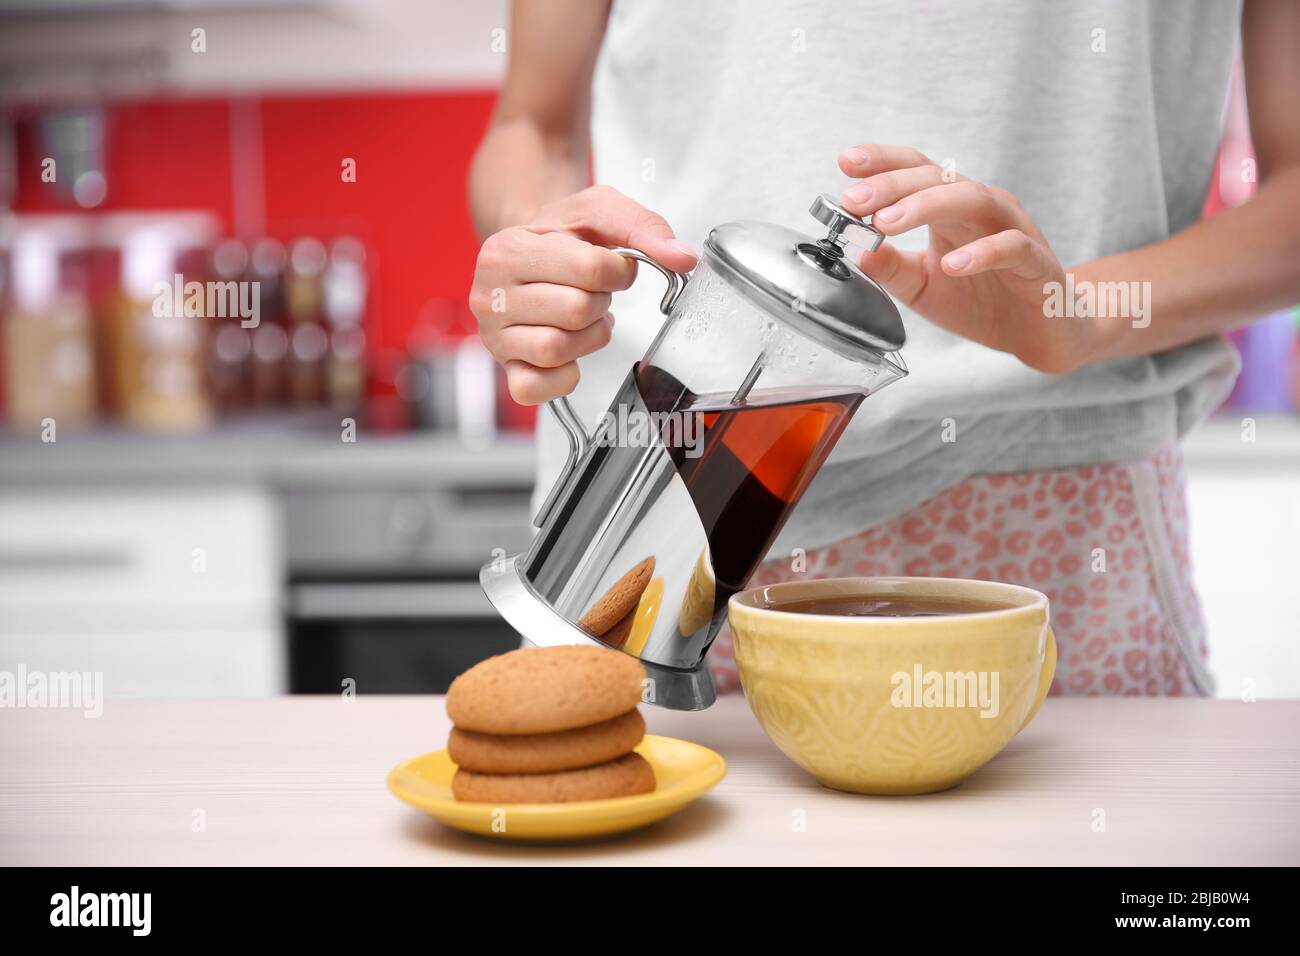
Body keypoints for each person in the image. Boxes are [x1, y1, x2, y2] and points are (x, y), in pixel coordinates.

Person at [468, 0, 1300, 696]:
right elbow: (531, 126)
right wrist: (539, 246)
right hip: (642, 511)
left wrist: (1080, 310)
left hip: (1060, 537)